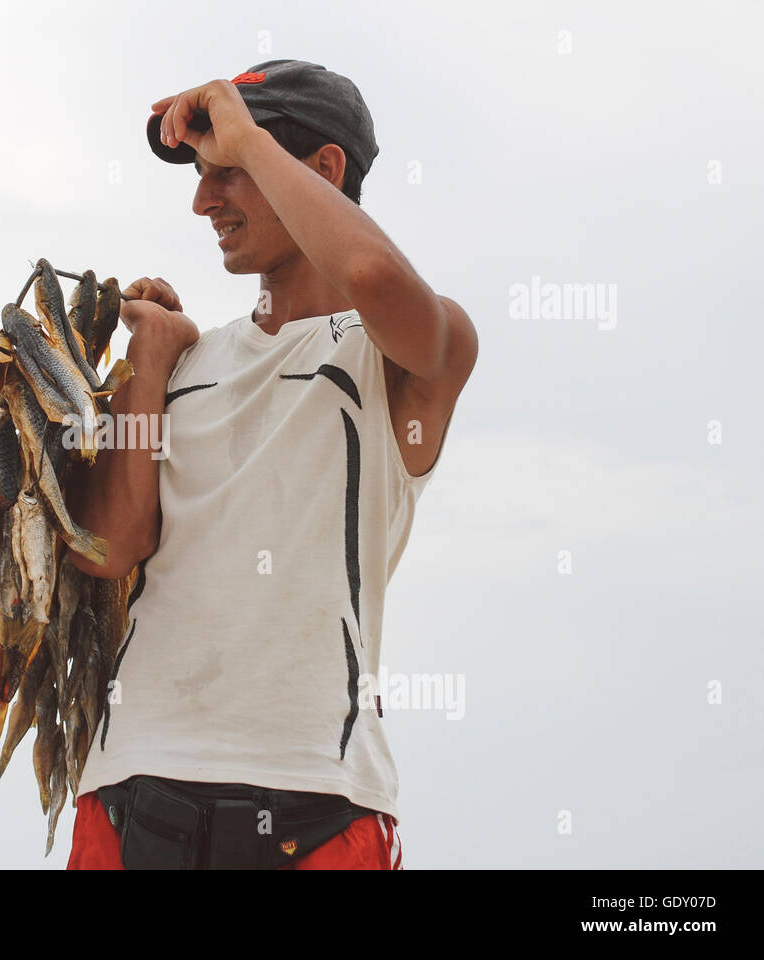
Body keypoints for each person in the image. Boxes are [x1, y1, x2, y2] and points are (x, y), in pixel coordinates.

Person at [62, 59, 478, 870]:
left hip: (317, 804)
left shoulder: (408, 348)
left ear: (322, 169)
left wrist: (247, 136)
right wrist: (148, 363)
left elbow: (368, 275)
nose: (202, 201)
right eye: (201, 176)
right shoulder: (186, 361)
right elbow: (109, 546)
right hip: (130, 792)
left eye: (227, 173)